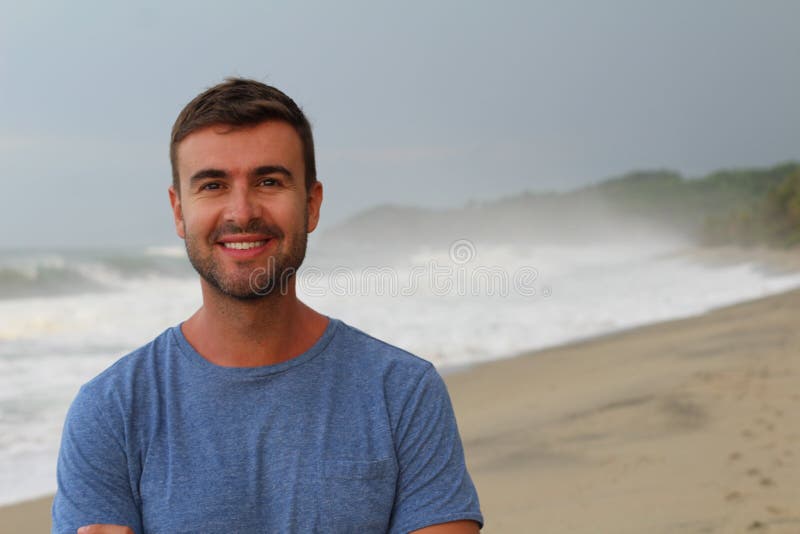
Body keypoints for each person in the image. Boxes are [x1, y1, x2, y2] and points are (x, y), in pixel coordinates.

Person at [52, 78, 483, 534]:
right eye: (213, 184)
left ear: (311, 205)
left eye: (269, 181)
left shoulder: (402, 394)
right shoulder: (110, 411)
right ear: (179, 211)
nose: (241, 211)